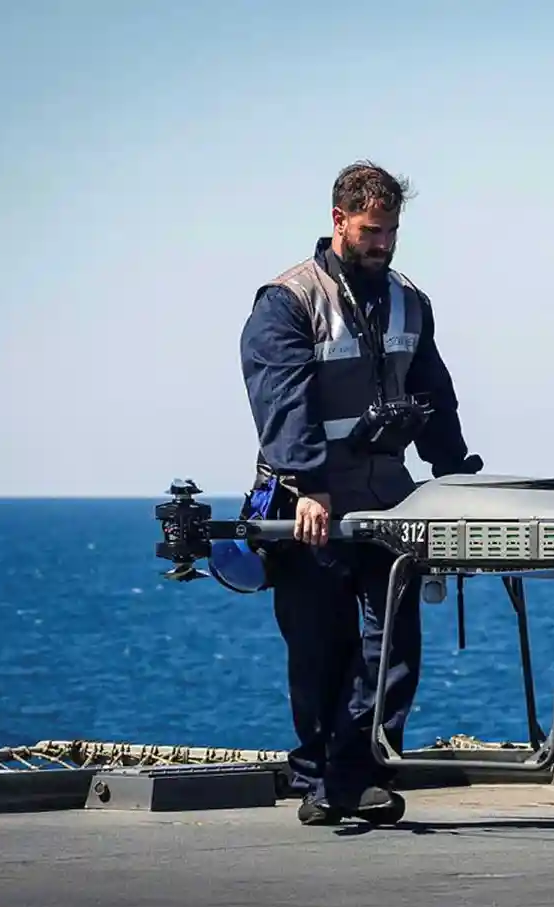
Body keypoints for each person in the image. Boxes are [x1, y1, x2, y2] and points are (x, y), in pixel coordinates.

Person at [238, 161, 482, 826]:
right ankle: (324, 774)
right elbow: (281, 403)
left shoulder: (409, 299)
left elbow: (433, 390)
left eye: (391, 231)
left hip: (387, 501)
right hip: (309, 506)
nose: (382, 243)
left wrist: (453, 471)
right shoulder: (287, 301)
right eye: (371, 230)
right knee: (319, 646)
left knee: (393, 644)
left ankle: (355, 771)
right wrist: (311, 486)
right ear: (338, 221)